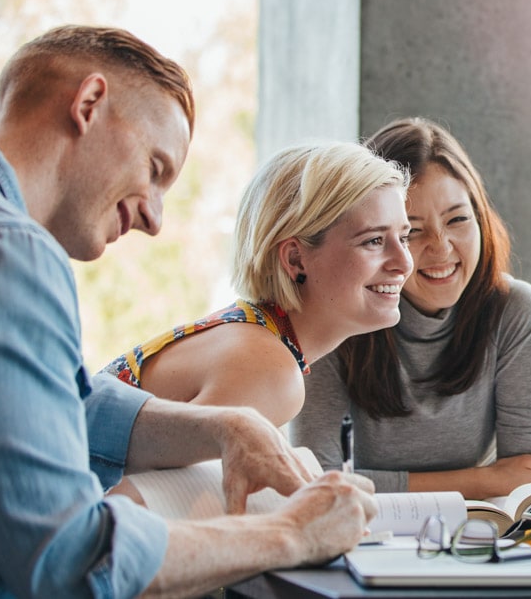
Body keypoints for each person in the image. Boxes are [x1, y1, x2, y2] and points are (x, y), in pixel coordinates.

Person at [0, 25, 379, 598]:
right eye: (156, 169)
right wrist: (291, 533)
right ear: (88, 104)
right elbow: (71, 560)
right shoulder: (3, 251)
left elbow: (59, 401)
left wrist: (226, 425)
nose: (155, 218)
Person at [292, 117, 531, 498]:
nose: (441, 248)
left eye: (457, 219)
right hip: (362, 536)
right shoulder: (336, 313)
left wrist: (497, 483)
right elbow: (317, 482)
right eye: (413, 231)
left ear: (481, 219)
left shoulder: (515, 311)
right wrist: (482, 480)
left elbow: (526, 481)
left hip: (478, 537)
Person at [102, 142, 413, 427]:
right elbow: (140, 488)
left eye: (404, 238)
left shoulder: (256, 335)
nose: (404, 263)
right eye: (373, 241)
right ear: (295, 259)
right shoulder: (270, 372)